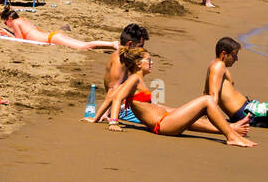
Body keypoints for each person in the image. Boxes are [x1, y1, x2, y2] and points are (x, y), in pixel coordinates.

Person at [95, 47, 254, 147]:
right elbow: (117, 98)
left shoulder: (137, 80)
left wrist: (96, 118)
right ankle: (231, 136)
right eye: (148, 60)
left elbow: (111, 96)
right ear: (138, 64)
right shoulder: (134, 79)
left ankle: (231, 129)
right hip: (162, 125)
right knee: (206, 100)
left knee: (192, 114)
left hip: (164, 119)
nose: (151, 63)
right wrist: (113, 122)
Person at [0, 7, 118, 51]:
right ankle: (112, 45)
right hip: (53, 36)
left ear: (9, 19)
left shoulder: (15, 22)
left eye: (5, 23)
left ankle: (112, 44)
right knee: (84, 44)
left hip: (52, 38)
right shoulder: (23, 20)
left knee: (84, 46)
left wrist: (7, 34)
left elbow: (19, 40)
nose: (7, 25)